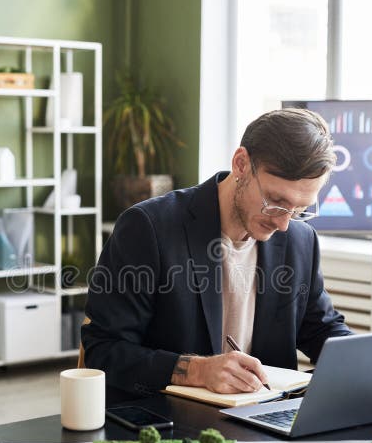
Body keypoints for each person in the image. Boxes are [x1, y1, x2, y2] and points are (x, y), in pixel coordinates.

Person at [82, 108, 352, 398]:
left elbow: (322, 329)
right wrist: (196, 371)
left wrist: (369, 363)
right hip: (170, 423)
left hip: (266, 424)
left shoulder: (301, 240)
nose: (283, 223)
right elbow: (104, 350)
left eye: (300, 210)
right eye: (275, 201)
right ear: (241, 164)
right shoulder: (148, 228)